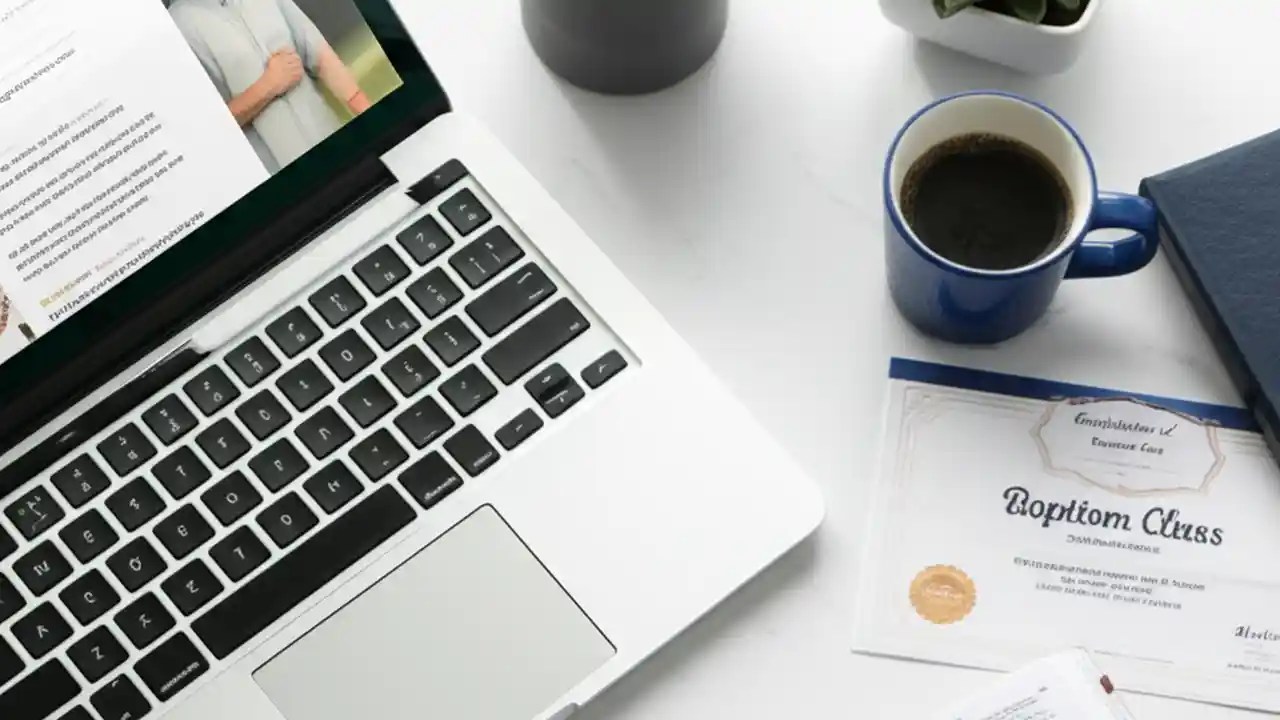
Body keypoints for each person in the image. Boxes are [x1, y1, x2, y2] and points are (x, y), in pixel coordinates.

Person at [168, 0, 373, 174]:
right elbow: (208, 127)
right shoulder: (178, 24)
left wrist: (371, 116)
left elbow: (319, 53)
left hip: (333, 142)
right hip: (281, 179)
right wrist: (269, 85)